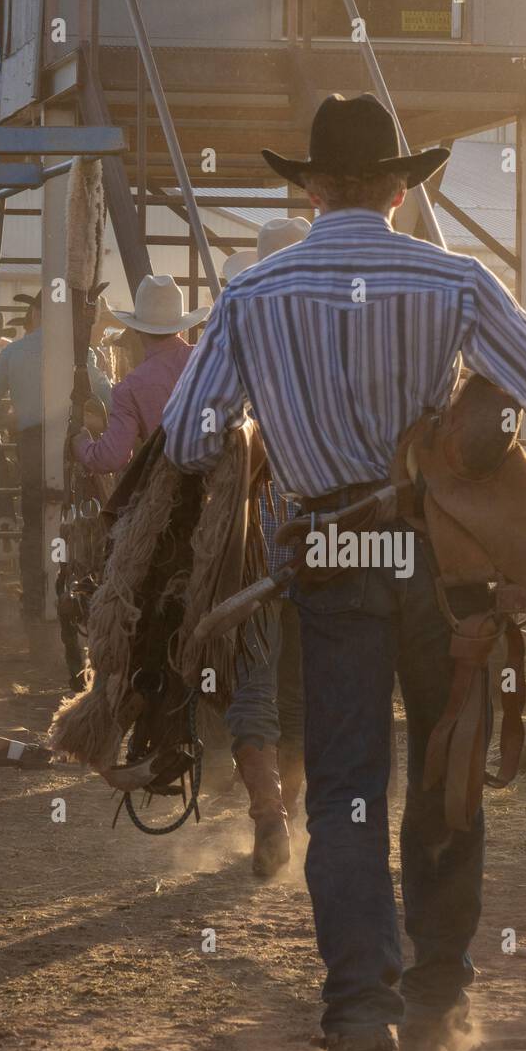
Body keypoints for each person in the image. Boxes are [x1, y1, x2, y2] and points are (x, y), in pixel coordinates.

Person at [162, 93, 526, 1051]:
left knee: (344, 790)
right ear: (399, 186)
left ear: (307, 190)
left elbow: (185, 437)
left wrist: (275, 444)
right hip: (442, 565)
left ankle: (356, 1018)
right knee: (448, 765)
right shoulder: (452, 280)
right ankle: (436, 991)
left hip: (330, 563)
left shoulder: (254, 297)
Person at [221, 220, 310, 879]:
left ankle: (270, 815)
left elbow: (200, 438)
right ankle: (291, 809)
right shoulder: (336, 341)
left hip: (254, 540)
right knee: (305, 688)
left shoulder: (238, 341)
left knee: (254, 686)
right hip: (329, 542)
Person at [0, 294, 113, 634]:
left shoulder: (14, 352)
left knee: (34, 522)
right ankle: (72, 594)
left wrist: (15, 421)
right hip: (71, 443)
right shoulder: (81, 354)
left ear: (36, 313)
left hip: (31, 442)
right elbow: (108, 400)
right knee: (76, 518)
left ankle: (34, 602)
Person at [71, 275, 208, 476]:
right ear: (180, 327)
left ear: (137, 330)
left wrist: (80, 443)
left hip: (170, 489)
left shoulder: (131, 388)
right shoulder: (210, 359)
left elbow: (110, 458)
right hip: (224, 489)